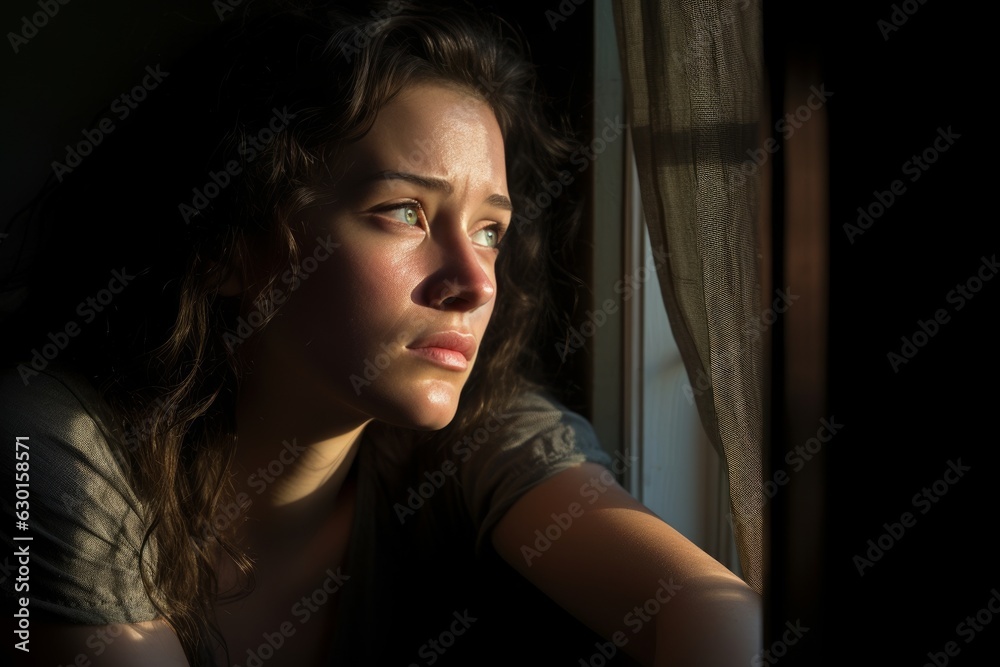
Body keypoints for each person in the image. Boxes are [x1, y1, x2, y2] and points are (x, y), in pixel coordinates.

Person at [0, 1, 762, 665]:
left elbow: (715, 610)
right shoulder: (48, 446)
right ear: (228, 243)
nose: (476, 281)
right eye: (405, 212)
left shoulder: (480, 431)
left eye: (492, 230)